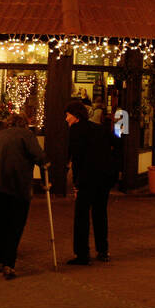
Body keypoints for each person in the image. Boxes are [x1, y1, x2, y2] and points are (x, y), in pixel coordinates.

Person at [0, 112, 48, 279]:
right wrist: (46, 173)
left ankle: (1, 259)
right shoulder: (27, 135)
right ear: (24, 124)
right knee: (16, 225)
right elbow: (40, 157)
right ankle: (9, 263)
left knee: (3, 222)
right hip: (19, 187)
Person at [64, 99, 114, 265]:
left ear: (76, 116)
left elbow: (77, 158)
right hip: (103, 178)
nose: (66, 119)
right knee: (100, 214)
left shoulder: (76, 131)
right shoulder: (100, 129)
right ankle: (103, 250)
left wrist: (76, 184)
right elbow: (111, 149)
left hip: (87, 179)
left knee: (82, 216)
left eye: (68, 115)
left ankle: (82, 253)